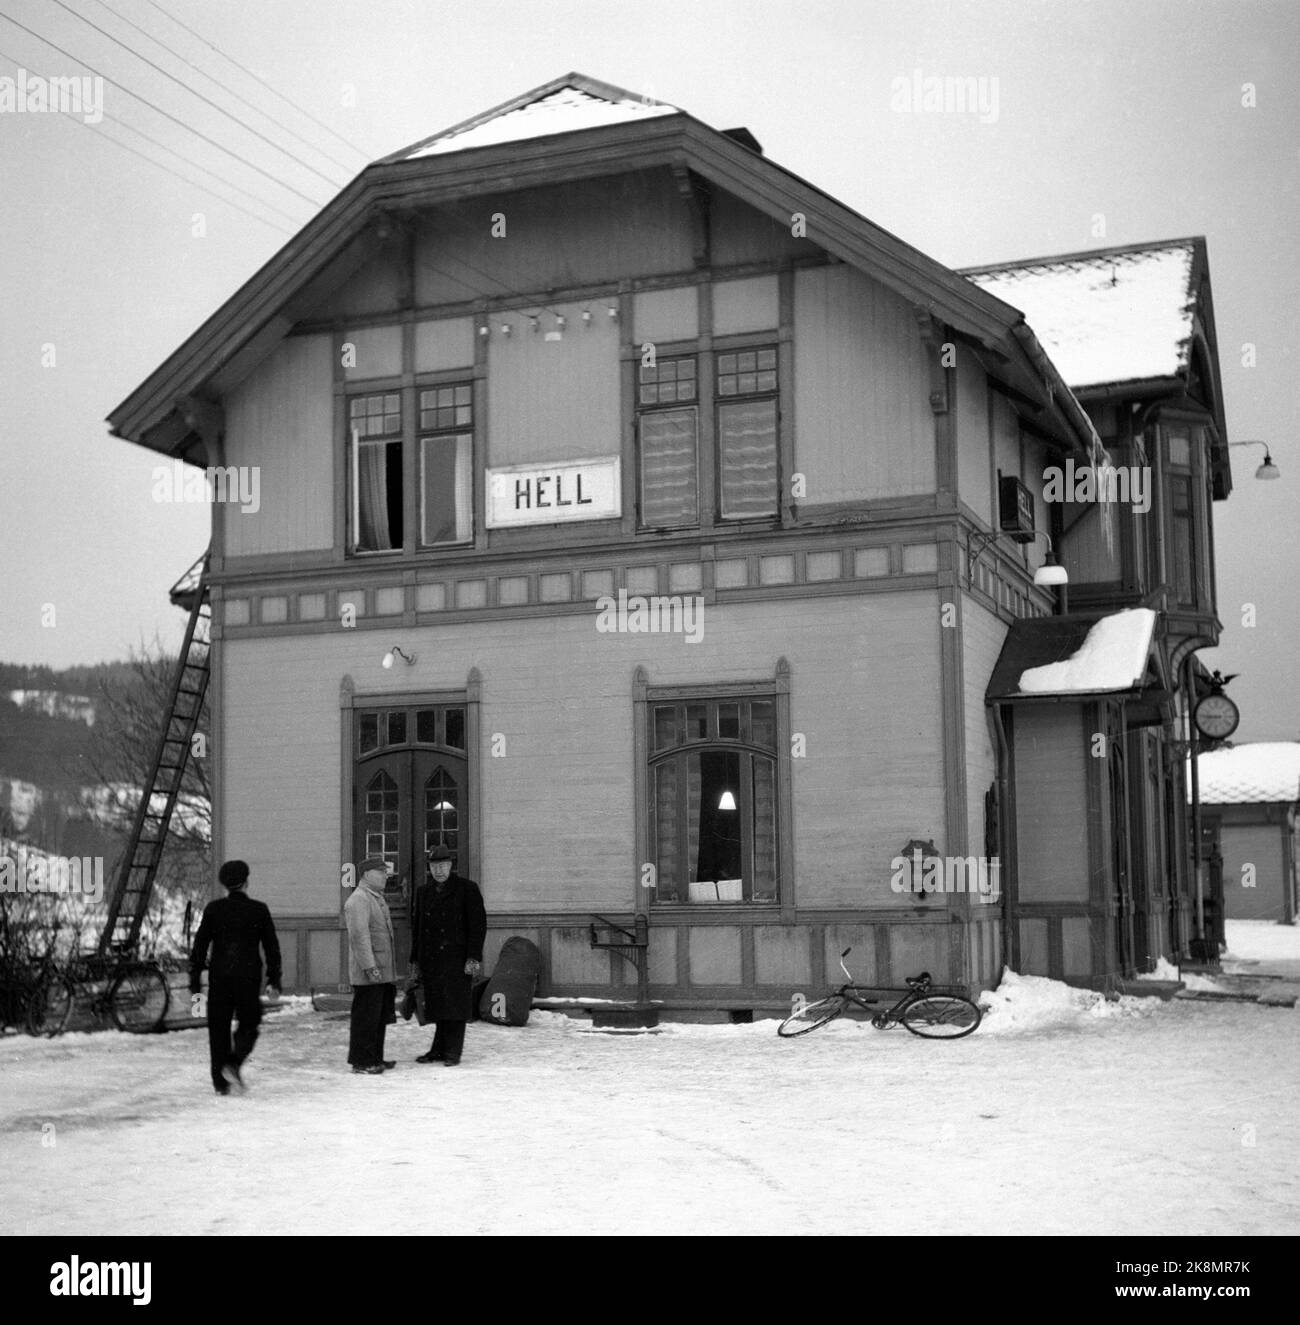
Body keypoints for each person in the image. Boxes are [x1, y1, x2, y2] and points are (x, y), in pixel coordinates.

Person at [189, 859, 281, 1095]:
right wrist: (274, 979)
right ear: (246, 882)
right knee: (250, 1024)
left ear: (225, 885)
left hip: (220, 978)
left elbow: (199, 947)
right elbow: (272, 947)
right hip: (248, 979)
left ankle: (221, 1085)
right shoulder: (259, 910)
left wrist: (195, 980)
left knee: (217, 1030)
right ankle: (233, 1062)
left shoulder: (213, 910)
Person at [411, 845, 486, 1066]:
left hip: (457, 959)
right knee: (436, 1005)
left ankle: (453, 1052)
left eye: (443, 866)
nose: (439, 871)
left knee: (455, 1006)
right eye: (434, 866)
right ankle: (438, 1050)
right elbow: (418, 929)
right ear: (429, 868)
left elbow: (478, 926)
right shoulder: (423, 892)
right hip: (432, 959)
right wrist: (414, 960)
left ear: (451, 866)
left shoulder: (467, 889)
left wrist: (473, 958)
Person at [344, 857, 397, 1075]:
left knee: (378, 1015)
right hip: (370, 971)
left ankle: (375, 1057)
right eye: (381, 871)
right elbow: (359, 937)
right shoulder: (359, 900)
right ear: (366, 874)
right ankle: (362, 1062)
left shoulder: (375, 898)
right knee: (366, 1017)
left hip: (380, 970)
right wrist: (369, 967)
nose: (385, 875)